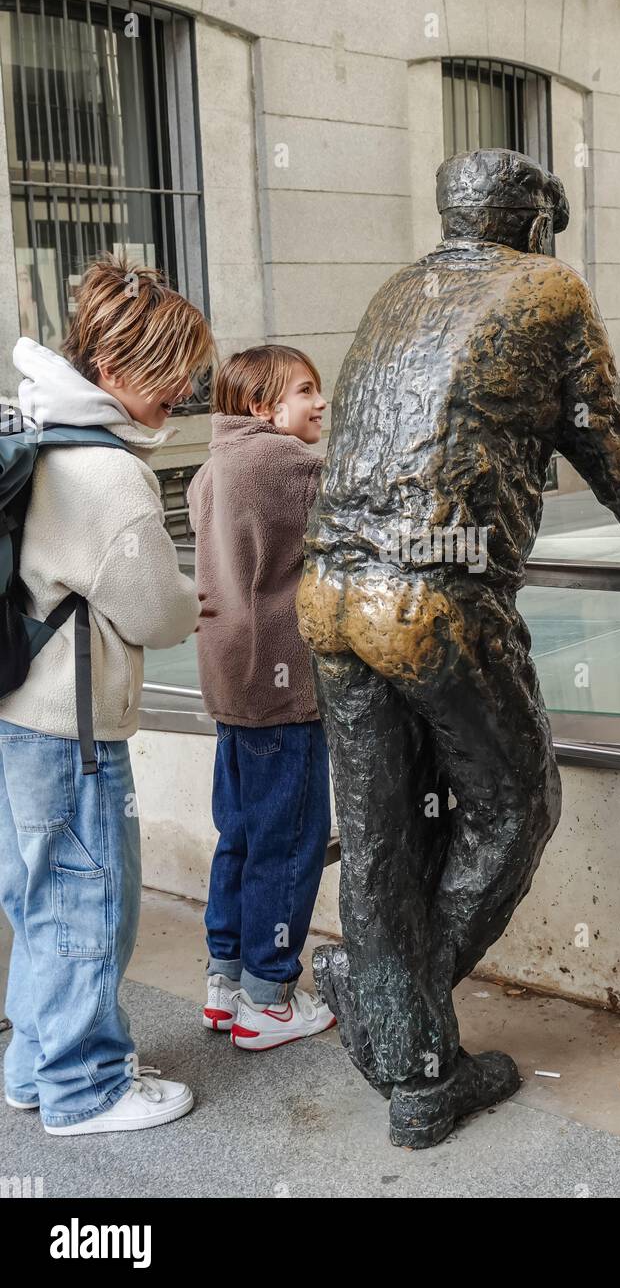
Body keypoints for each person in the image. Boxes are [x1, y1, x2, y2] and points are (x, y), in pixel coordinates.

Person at [298, 148, 620, 1148]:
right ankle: (404, 1032)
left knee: (380, 833)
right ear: (534, 222)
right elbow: (603, 439)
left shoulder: (399, 286)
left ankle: (407, 1047)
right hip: (429, 597)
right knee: (515, 807)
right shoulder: (547, 287)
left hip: (325, 588)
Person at [0, 254, 213, 1135]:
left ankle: (32, 1068)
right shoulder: (110, 475)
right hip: (71, 729)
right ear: (117, 373)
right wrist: (192, 603)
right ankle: (86, 1089)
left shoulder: (35, 428)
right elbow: (157, 612)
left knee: (38, 896)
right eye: (170, 378)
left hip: (18, 715)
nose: (184, 394)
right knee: (89, 900)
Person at [188, 346, 335, 1051]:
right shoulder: (281, 460)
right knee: (292, 839)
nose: (321, 403)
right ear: (262, 407)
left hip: (230, 683)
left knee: (241, 834)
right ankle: (269, 999)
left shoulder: (214, 465)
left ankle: (226, 982)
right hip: (280, 684)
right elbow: (371, 497)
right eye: (306, 391)